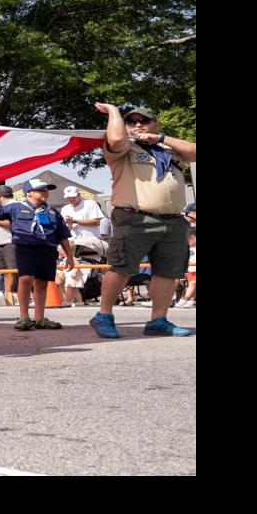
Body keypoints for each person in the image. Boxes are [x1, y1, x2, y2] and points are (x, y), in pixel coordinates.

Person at [91, 103, 196, 338]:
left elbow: (194, 151)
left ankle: (158, 320)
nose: (138, 125)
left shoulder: (167, 148)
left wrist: (160, 137)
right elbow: (116, 139)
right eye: (132, 121)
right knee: (122, 268)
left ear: (155, 124)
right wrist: (113, 112)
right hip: (135, 217)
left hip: (172, 220)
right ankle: (104, 315)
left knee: (169, 272)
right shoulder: (123, 148)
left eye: (144, 121)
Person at [0, 178, 76, 331]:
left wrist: (69, 256)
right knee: (25, 279)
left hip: (47, 250)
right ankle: (24, 317)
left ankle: (40, 318)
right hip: (25, 249)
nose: (45, 193)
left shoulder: (52, 212)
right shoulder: (15, 207)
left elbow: (62, 235)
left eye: (46, 190)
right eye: (41, 190)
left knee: (42, 283)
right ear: (29, 193)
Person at [177, 229, 196, 308]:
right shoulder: (187, 247)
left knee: (193, 284)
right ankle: (191, 300)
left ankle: (185, 299)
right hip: (190, 269)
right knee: (193, 285)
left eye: (191, 238)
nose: (189, 240)